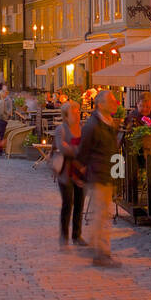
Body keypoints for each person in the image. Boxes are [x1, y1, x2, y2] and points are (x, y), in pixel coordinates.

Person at [78, 89, 122, 266]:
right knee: (103, 215)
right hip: (98, 174)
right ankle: (101, 253)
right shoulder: (92, 126)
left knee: (102, 214)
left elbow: (114, 151)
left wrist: (118, 173)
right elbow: (83, 151)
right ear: (101, 104)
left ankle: (96, 247)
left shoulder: (109, 122)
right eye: (111, 101)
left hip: (107, 173)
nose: (115, 103)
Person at [53, 101, 86, 248]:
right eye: (74, 112)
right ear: (66, 116)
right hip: (65, 173)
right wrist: (77, 149)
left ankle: (77, 235)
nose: (78, 114)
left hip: (80, 172)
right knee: (68, 204)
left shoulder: (83, 128)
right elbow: (62, 148)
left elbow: (87, 147)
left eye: (78, 111)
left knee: (79, 204)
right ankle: (64, 237)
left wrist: (73, 148)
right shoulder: (62, 129)